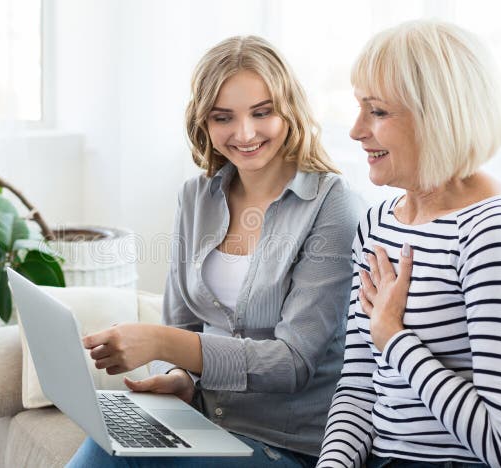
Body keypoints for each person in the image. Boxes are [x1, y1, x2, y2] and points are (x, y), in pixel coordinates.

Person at [66, 35, 362, 467]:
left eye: (262, 113)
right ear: (203, 122)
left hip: (284, 444)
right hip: (205, 420)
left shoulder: (332, 203)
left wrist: (161, 342)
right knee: (108, 436)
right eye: (224, 117)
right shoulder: (197, 196)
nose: (244, 134)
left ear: (289, 110)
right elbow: (182, 321)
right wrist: (178, 377)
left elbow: (292, 362)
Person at [317, 20, 501, 468]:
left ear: (438, 115)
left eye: (377, 111)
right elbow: (357, 389)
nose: (355, 130)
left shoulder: (498, 232)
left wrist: (394, 338)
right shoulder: (377, 226)